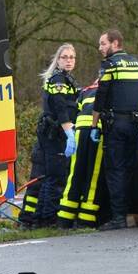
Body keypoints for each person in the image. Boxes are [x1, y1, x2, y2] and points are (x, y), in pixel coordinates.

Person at [92, 29, 138, 231]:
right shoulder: (137, 63)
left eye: (103, 43)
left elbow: (101, 97)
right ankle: (134, 212)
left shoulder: (109, 65)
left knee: (115, 170)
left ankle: (118, 217)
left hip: (115, 125)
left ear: (115, 43)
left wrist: (94, 126)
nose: (100, 48)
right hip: (134, 124)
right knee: (130, 169)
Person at [20, 44, 79, 229]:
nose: (69, 60)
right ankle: (48, 219)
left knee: (47, 177)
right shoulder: (59, 80)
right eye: (65, 57)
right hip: (54, 135)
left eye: (72, 57)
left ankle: (35, 219)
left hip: (53, 134)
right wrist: (70, 132)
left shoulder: (68, 79)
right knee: (56, 177)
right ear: (58, 60)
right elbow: (61, 108)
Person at [57, 80, 105, 228]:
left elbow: (76, 110)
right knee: (93, 176)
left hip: (79, 131)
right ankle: (85, 220)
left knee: (75, 173)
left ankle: (64, 219)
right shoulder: (112, 89)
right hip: (98, 130)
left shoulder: (85, 91)